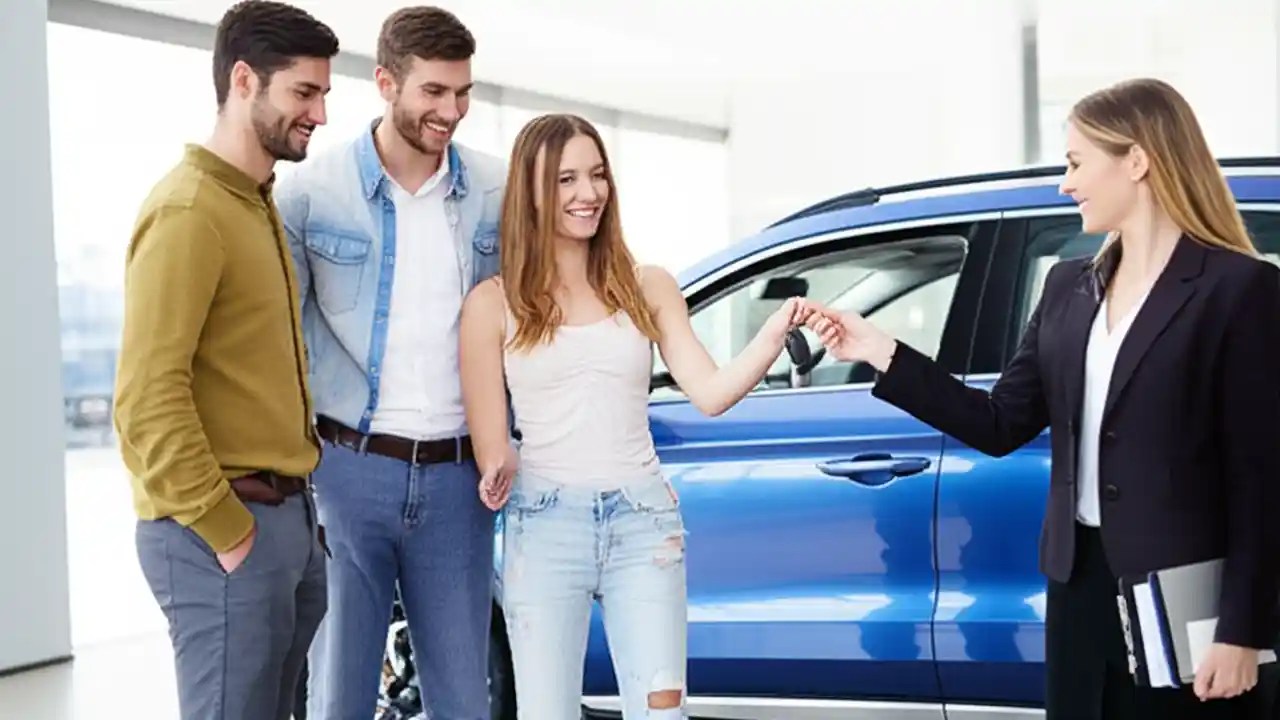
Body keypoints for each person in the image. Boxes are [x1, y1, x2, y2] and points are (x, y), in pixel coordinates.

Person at [805, 77, 1280, 719]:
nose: (1066, 183)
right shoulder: (1068, 288)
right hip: (1078, 585)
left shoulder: (1240, 290)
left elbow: (1262, 481)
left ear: (1137, 160)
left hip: (1187, 597)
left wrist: (1241, 630)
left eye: (1077, 162)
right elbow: (999, 422)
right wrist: (881, 351)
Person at [458, 113, 810, 720]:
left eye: (597, 175)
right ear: (532, 193)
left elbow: (710, 392)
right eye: (566, 180)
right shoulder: (492, 305)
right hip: (544, 530)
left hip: (643, 525)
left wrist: (773, 334)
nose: (587, 193)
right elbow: (493, 443)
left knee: (661, 715)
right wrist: (497, 468)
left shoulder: (648, 286)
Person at [273, 6, 507, 718]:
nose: (451, 111)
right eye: (434, 92)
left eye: (462, 93)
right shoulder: (310, 195)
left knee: (465, 699)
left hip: (460, 483)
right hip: (347, 475)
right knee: (339, 697)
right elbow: (280, 343)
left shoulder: (499, 192)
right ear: (385, 82)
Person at [113, 3, 337, 719]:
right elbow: (146, 401)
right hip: (225, 529)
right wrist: (227, 531)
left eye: (324, 94)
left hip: (284, 521)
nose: (321, 114)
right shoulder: (189, 212)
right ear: (245, 80)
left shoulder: (254, 202)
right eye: (304, 93)